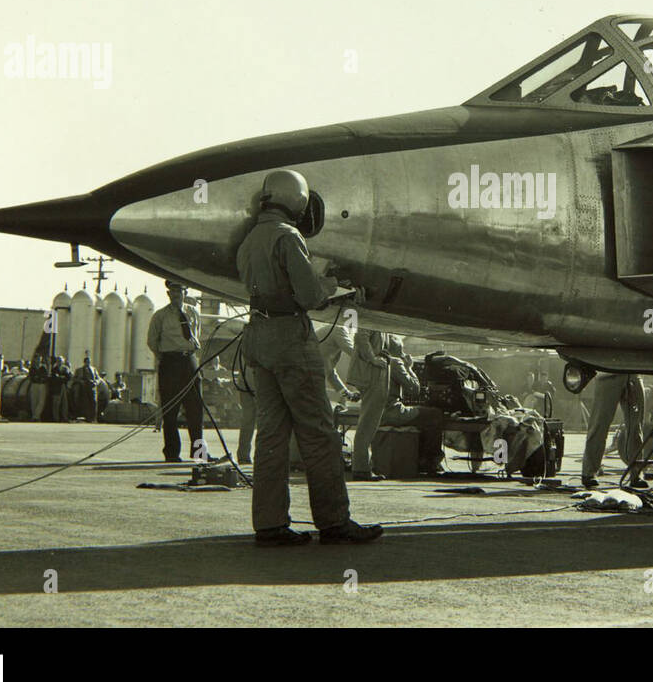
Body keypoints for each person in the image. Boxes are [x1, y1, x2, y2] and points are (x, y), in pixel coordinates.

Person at [236, 168, 381, 545]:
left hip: (258, 339)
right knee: (318, 433)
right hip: (289, 341)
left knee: (270, 436)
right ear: (297, 200)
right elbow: (310, 297)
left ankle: (269, 526)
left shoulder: (251, 239)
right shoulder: (288, 237)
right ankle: (334, 522)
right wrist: (337, 286)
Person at [349, 332, 443, 479]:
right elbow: (414, 388)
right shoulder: (395, 362)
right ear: (398, 350)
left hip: (380, 411)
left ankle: (363, 467)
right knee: (434, 415)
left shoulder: (385, 362)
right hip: (392, 412)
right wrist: (409, 367)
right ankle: (430, 461)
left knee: (364, 431)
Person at [147, 281, 207, 462]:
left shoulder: (192, 312)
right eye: (172, 291)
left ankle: (199, 453)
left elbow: (197, 335)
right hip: (170, 362)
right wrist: (166, 357)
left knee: (196, 410)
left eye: (178, 291)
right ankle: (172, 453)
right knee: (170, 411)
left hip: (189, 361)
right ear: (168, 293)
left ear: (185, 292)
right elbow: (152, 341)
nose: (175, 295)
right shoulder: (160, 316)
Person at [581, 373, 646, 489]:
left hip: (633, 374)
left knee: (636, 428)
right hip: (608, 374)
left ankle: (636, 473)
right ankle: (589, 472)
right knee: (599, 424)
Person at [49, 355, 72, 421]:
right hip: (56, 387)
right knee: (56, 403)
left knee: (65, 403)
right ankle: (56, 418)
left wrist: (60, 378)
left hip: (64, 386)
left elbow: (68, 377)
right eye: (58, 361)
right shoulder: (54, 369)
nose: (59, 362)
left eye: (61, 361)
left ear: (63, 361)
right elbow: (54, 378)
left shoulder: (65, 368)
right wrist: (61, 378)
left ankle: (64, 417)